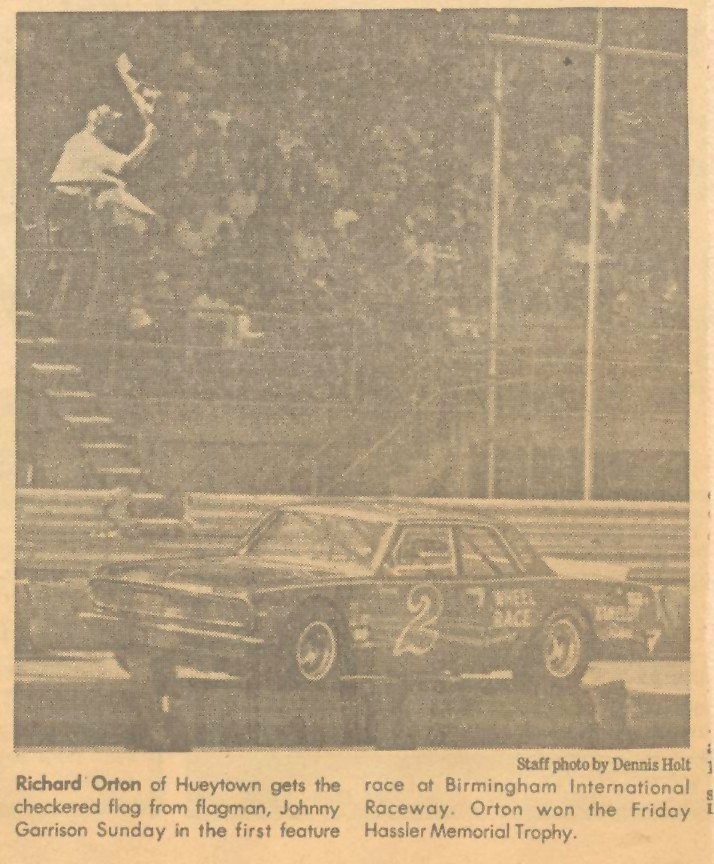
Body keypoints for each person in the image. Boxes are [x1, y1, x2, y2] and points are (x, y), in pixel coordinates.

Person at [50, 104, 159, 329]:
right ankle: (71, 318)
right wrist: (149, 139)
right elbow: (128, 165)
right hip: (70, 209)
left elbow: (110, 176)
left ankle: (72, 317)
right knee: (96, 262)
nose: (115, 128)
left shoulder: (82, 142)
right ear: (100, 124)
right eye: (111, 123)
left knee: (90, 264)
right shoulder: (88, 144)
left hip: (71, 208)